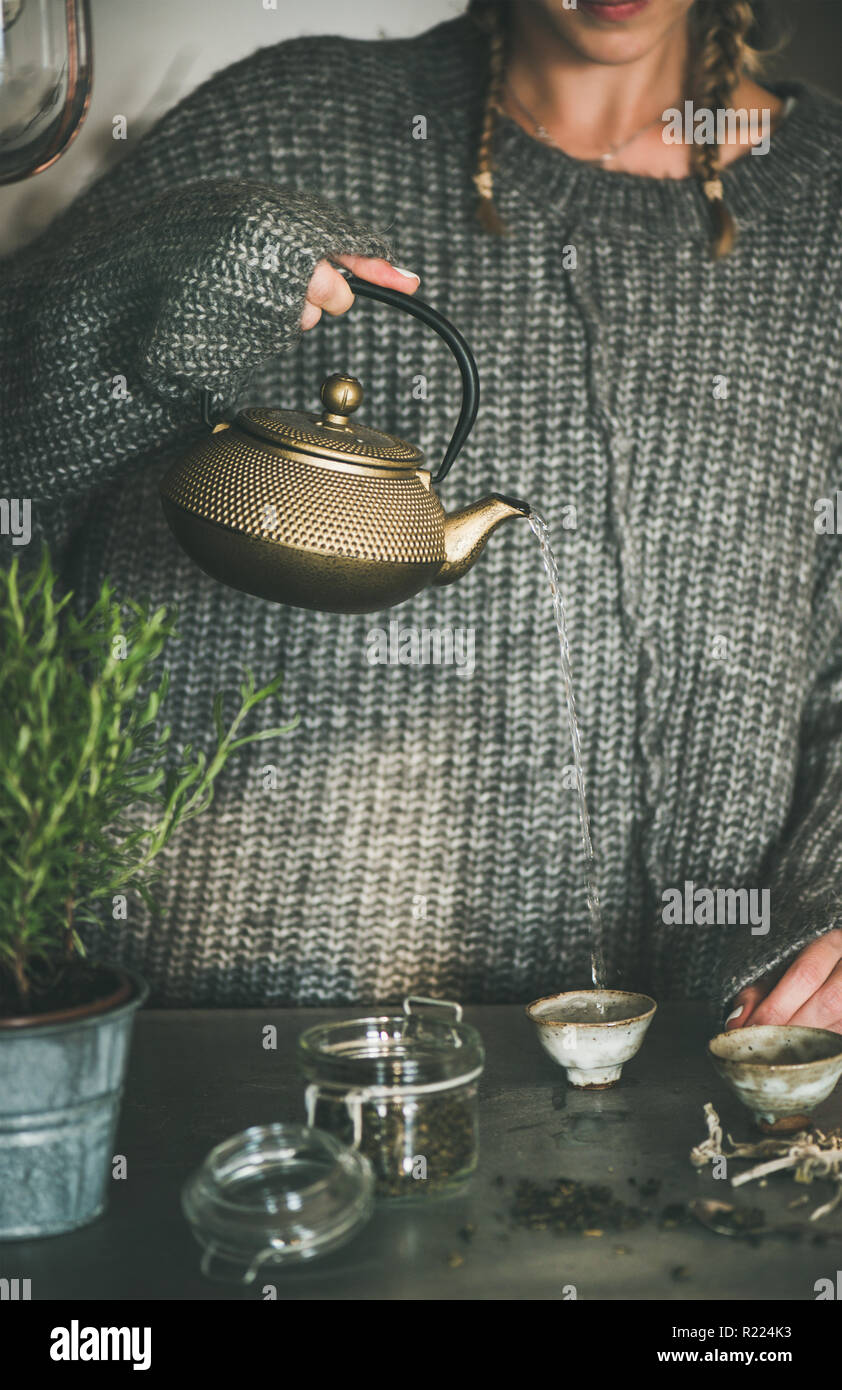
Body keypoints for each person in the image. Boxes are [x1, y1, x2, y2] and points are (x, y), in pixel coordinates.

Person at [2, 0, 841, 1028]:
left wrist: (831, 898)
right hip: (225, 1053)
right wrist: (122, 302)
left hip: (679, 1080)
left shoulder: (826, 207)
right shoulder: (290, 117)